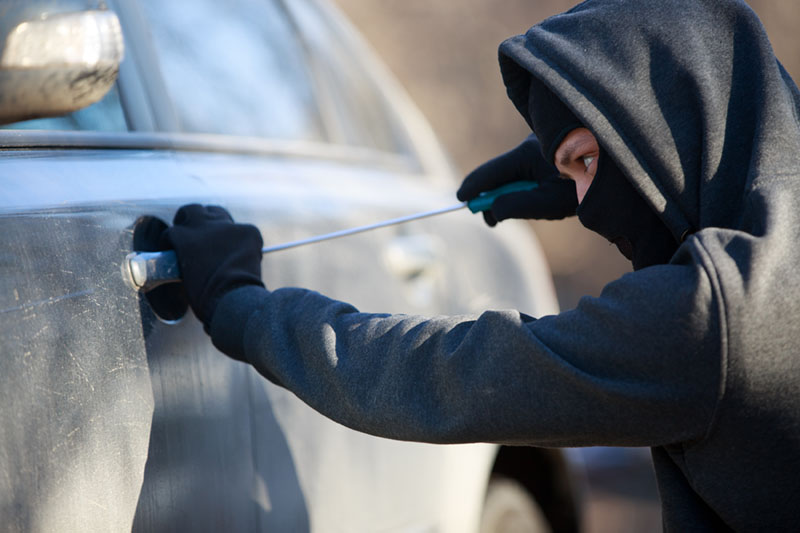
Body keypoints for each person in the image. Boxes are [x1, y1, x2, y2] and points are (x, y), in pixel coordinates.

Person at [161, 0, 800, 530]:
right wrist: (585, 161)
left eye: (584, 162)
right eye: (566, 170)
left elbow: (453, 375)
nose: (584, 203)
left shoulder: (716, 315)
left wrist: (246, 307)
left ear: (671, 128)